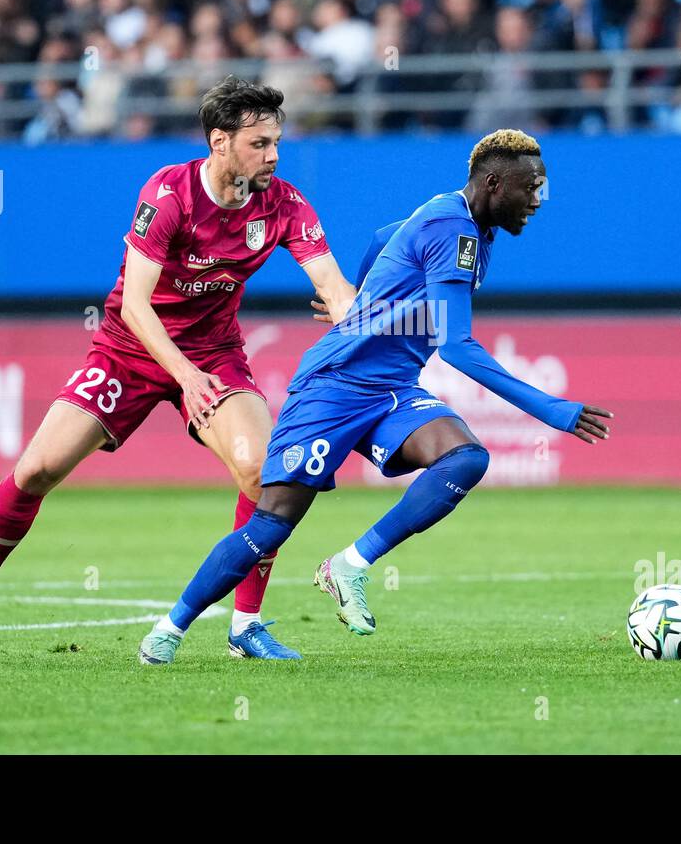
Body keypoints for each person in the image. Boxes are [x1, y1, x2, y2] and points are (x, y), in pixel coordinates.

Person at [0, 76, 355, 662]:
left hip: (215, 354)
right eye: (259, 143)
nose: (272, 155)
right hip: (129, 349)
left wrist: (358, 316)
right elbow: (138, 306)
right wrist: (185, 378)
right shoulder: (168, 194)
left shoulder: (284, 204)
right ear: (219, 142)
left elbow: (332, 284)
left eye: (276, 143)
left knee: (260, 473)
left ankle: (246, 626)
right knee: (37, 468)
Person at [137, 128, 612, 662]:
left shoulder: (458, 219)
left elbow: (386, 235)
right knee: (272, 522)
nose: (537, 201)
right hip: (334, 385)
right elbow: (455, 347)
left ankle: (348, 565)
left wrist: (361, 300)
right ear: (495, 183)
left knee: (464, 458)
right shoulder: (455, 229)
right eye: (531, 188)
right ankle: (169, 630)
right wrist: (551, 409)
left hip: (390, 392)